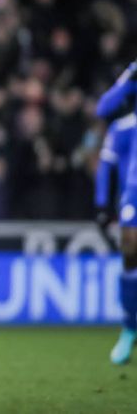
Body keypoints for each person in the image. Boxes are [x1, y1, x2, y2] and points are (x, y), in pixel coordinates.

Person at [95, 60, 137, 365]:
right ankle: (129, 328)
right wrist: (100, 205)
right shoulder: (124, 127)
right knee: (130, 250)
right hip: (133, 196)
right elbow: (102, 107)